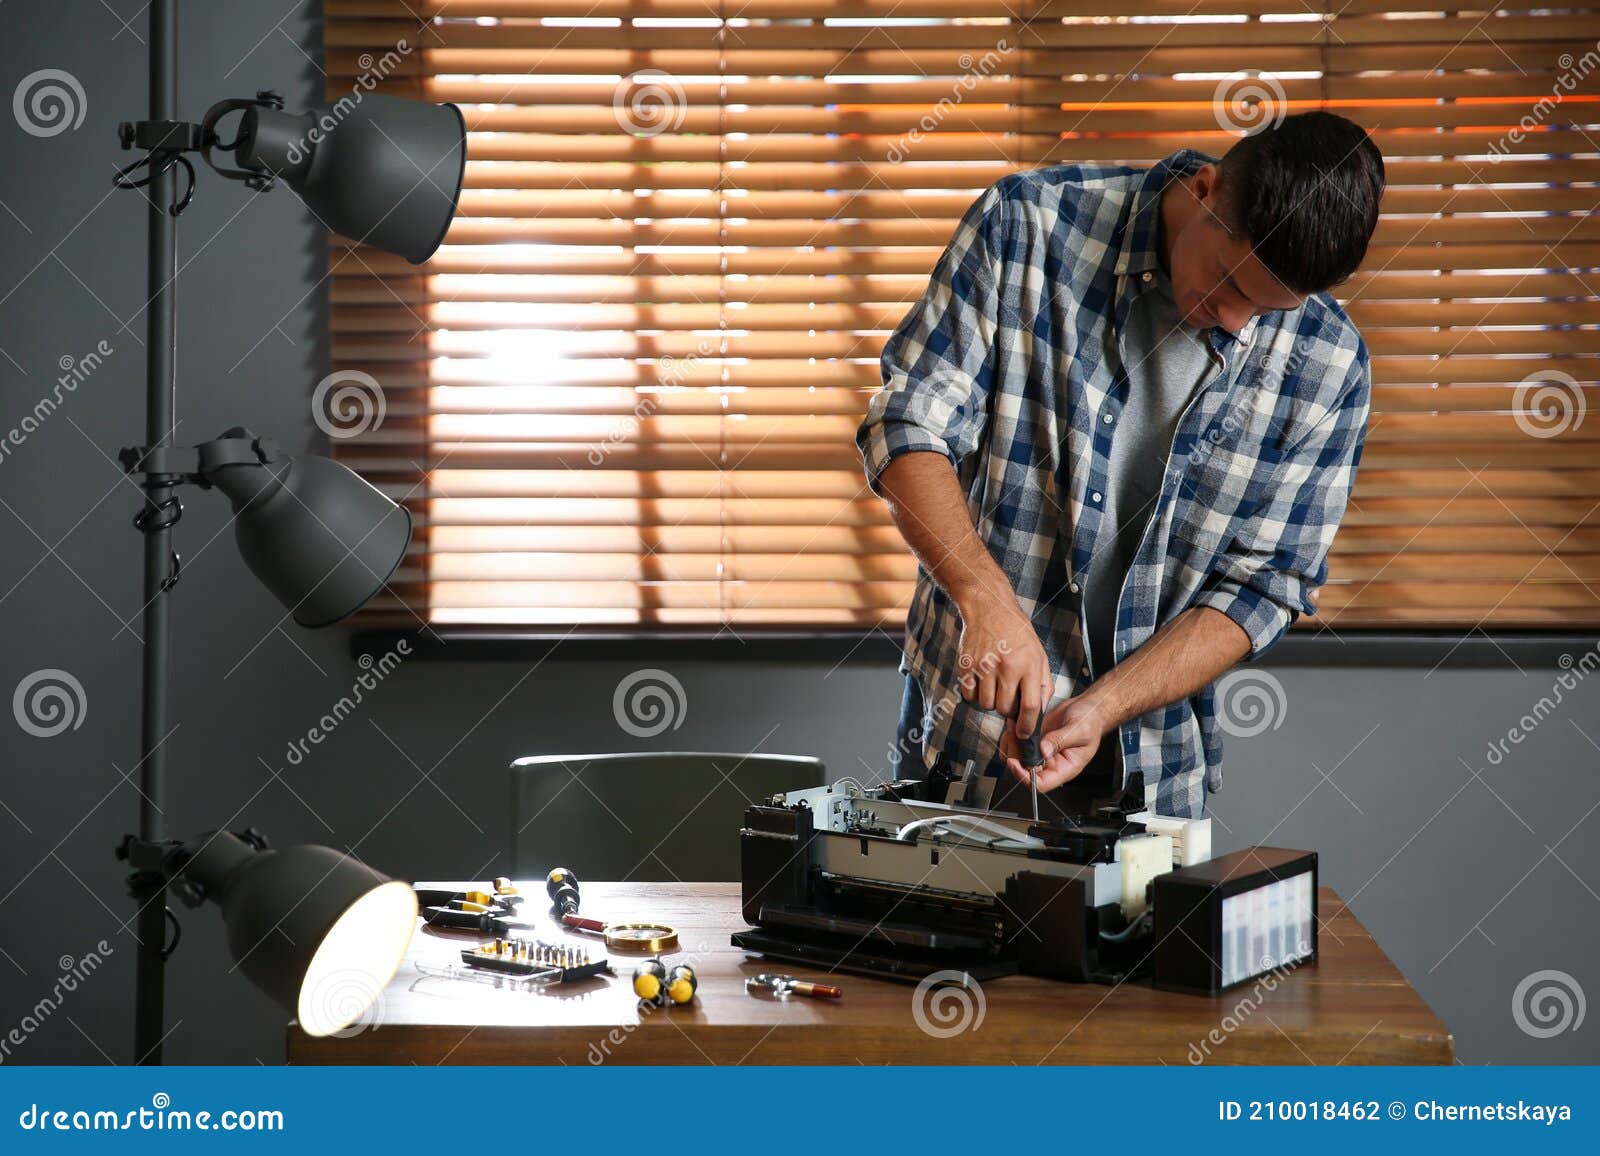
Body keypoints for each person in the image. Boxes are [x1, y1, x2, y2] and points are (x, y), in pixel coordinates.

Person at [857, 111, 1384, 818]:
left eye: (1265, 309)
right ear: (1204, 189)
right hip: (964, 738)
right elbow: (909, 422)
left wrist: (1104, 706)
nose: (1234, 321)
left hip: (1154, 775)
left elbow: (1264, 585)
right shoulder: (1026, 226)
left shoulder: (1331, 364)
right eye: (1228, 281)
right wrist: (987, 601)